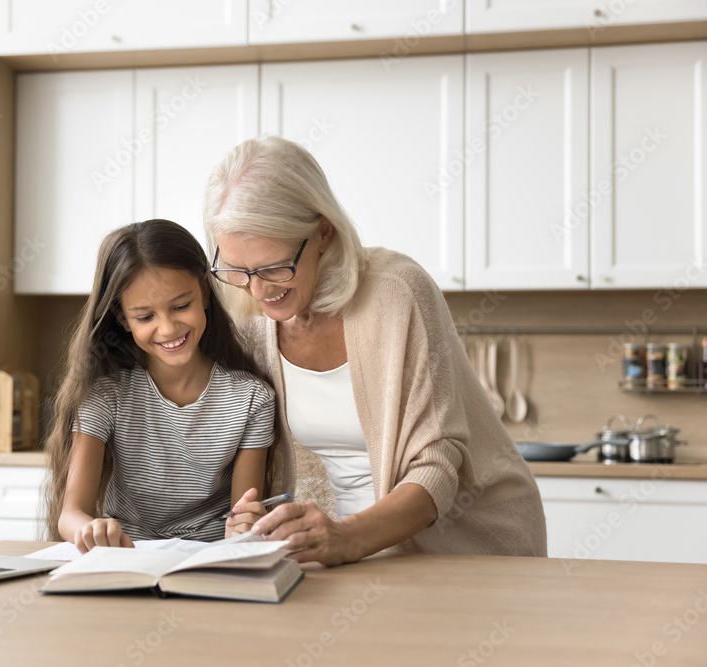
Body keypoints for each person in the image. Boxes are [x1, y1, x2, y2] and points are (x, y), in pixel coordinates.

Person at [203, 136, 547, 566]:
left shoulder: (396, 291)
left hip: (463, 551)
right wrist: (251, 521)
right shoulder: (252, 322)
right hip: (355, 558)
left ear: (323, 232)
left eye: (274, 267)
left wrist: (347, 538)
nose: (257, 290)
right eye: (238, 270)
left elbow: (438, 464)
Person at [43, 219, 276, 553]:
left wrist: (245, 526)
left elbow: (242, 514)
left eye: (181, 306)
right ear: (122, 317)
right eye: (145, 317)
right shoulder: (105, 396)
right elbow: (70, 515)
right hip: (128, 556)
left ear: (204, 292)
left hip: (210, 560)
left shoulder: (252, 399)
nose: (167, 329)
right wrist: (90, 529)